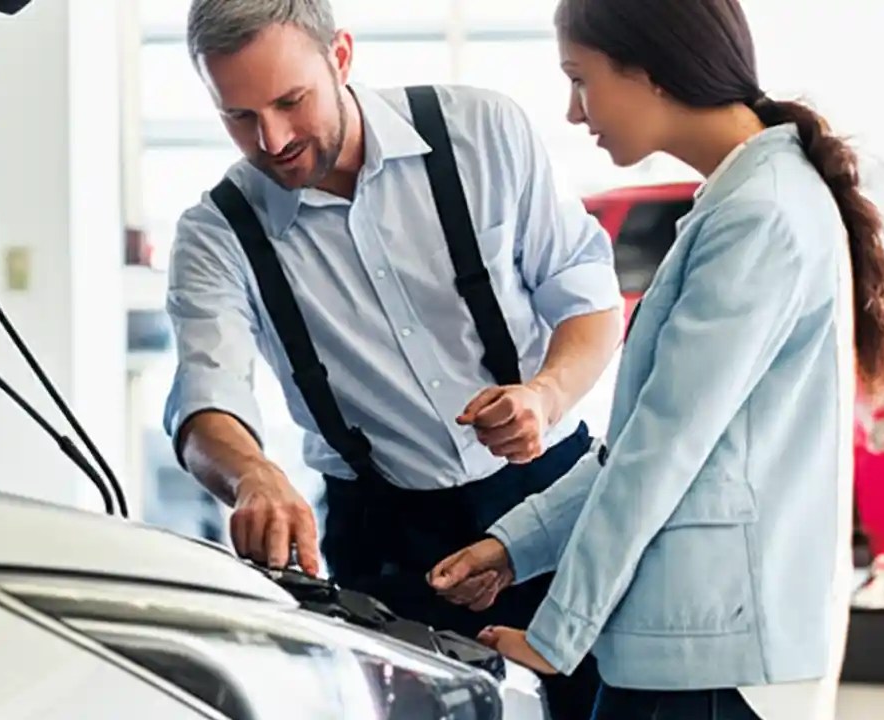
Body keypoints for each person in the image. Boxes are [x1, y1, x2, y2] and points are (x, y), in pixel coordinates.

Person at [162, 1, 623, 717]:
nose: (273, 138)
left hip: (559, 506)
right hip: (387, 548)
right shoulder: (215, 234)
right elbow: (205, 398)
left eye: (290, 101)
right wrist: (253, 475)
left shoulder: (484, 133)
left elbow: (589, 297)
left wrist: (548, 394)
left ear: (340, 57)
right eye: (240, 116)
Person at [427, 0, 884, 718]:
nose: (575, 112)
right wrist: (515, 547)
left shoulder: (759, 214)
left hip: (703, 659)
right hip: (696, 648)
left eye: (581, 79)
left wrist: (557, 634)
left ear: (650, 72)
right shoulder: (750, 199)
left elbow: (660, 452)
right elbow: (644, 446)